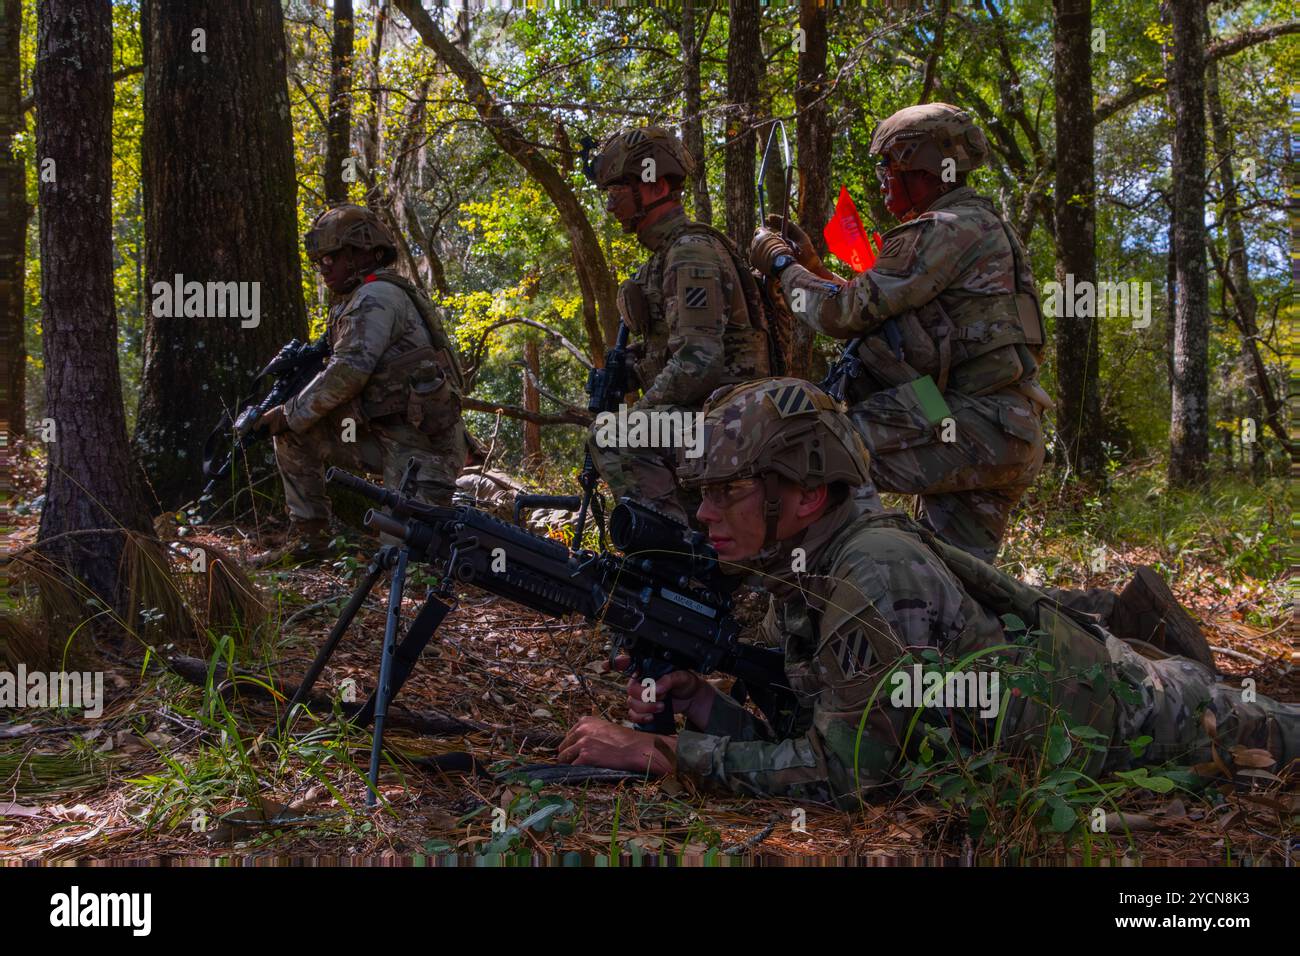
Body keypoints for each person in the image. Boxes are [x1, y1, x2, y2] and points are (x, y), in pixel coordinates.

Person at [557, 378, 1296, 807]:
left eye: (728, 491)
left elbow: (853, 776)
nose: (706, 513)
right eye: (702, 493)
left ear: (809, 492)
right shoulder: (811, 559)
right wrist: (707, 709)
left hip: (1166, 715)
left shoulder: (870, 570)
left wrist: (663, 753)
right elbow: (841, 726)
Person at [750, 103, 1050, 562]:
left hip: (966, 417)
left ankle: (822, 588)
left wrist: (782, 266)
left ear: (922, 164)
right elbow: (876, 309)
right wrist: (813, 269)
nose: (883, 175)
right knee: (963, 586)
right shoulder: (985, 227)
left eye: (889, 163)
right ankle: (1105, 621)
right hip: (1003, 424)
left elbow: (842, 315)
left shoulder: (942, 228)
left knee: (818, 449)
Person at [251, 205, 467, 567]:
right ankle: (310, 540)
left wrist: (288, 412)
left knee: (402, 563)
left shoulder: (376, 297)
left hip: (423, 449)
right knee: (293, 433)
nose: (325, 268)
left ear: (363, 252)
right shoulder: (358, 299)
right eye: (320, 260)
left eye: (332, 257)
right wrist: (289, 418)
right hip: (380, 437)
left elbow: (349, 371)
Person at [588, 126, 772, 524]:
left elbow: (699, 360)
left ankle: (672, 557)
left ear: (653, 185)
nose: (611, 204)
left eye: (618, 189)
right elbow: (676, 350)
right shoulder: (667, 254)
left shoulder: (690, 254)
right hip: (716, 415)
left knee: (613, 436)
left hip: (735, 417)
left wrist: (642, 408)